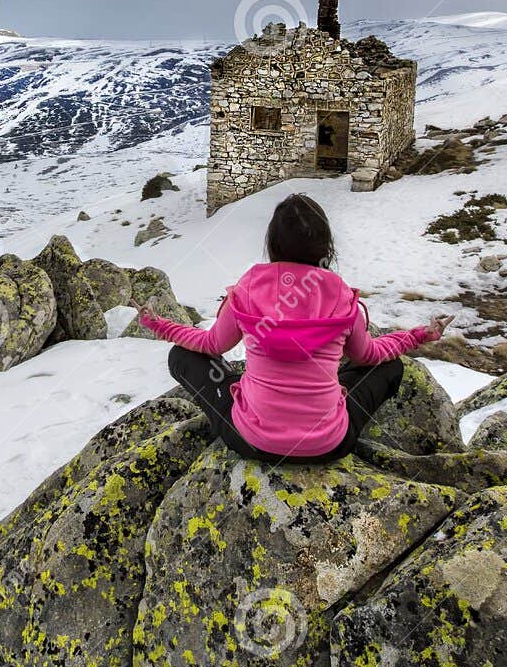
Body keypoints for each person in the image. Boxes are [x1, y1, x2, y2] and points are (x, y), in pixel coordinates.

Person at [133, 193, 452, 464]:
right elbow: (368, 356)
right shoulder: (342, 297)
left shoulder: (248, 289)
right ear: (326, 247)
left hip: (253, 441)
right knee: (390, 367)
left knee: (182, 356)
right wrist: (419, 335)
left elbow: (210, 345)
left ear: (272, 243)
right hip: (329, 445)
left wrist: (157, 324)